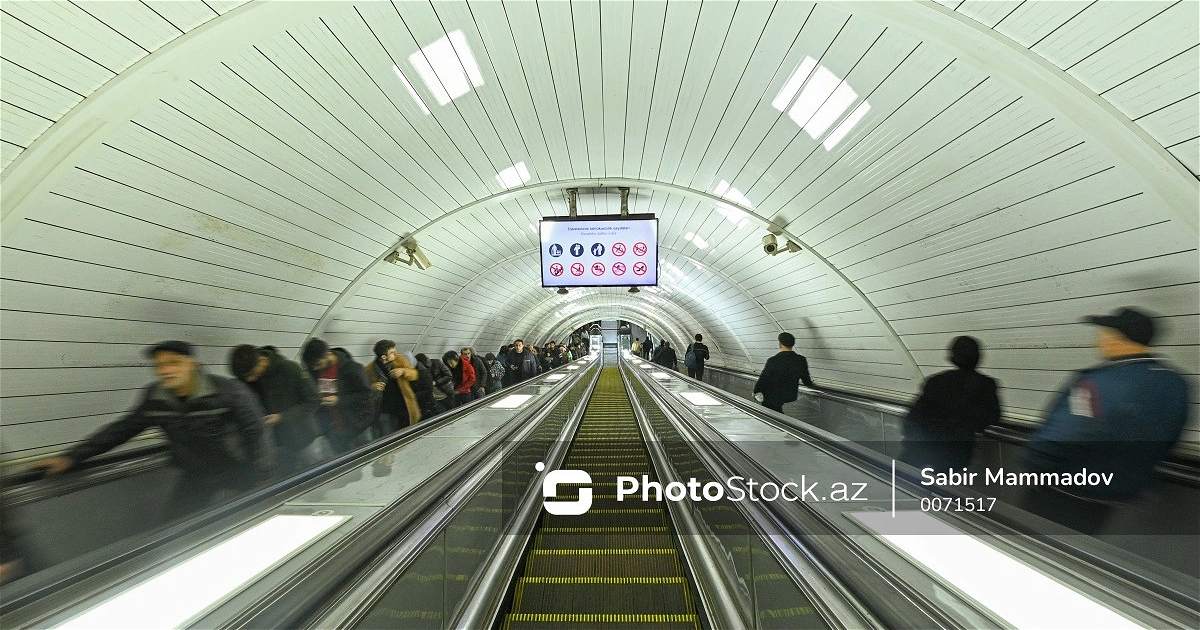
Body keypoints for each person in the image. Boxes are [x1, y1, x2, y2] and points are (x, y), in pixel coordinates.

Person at [30, 341, 272, 521]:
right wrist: (71, 457)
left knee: (253, 518)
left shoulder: (229, 392)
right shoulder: (156, 399)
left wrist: (261, 475)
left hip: (239, 468)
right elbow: (122, 429)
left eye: (173, 363)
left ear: (193, 364)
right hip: (196, 474)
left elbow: (256, 431)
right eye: (159, 365)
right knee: (174, 529)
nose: (165, 370)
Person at [1021, 308, 1190, 534]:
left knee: (1036, 545)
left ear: (1116, 339)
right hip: (1118, 494)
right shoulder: (1175, 383)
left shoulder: (1095, 383)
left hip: (1066, 490)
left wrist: (1033, 468)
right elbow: (1170, 436)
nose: (1099, 338)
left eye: (1104, 332)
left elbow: (1065, 433)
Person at [898, 337, 1001, 472]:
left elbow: (915, 415)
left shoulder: (936, 382)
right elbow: (994, 417)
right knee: (942, 487)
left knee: (899, 477)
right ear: (978, 357)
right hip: (957, 455)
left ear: (953, 357)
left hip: (923, 448)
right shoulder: (987, 385)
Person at [230, 344, 327, 476]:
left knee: (319, 477)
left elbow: (314, 401)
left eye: (252, 374)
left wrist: (281, 417)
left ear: (262, 361)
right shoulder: (250, 381)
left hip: (306, 440)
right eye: (246, 377)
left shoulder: (290, 369)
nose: (250, 379)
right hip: (280, 446)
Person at [301, 339, 373, 454]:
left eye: (318, 364)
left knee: (364, 462)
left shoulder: (353, 369)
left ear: (327, 355)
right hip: (333, 431)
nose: (316, 368)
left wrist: (339, 400)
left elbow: (367, 395)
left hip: (357, 427)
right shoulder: (314, 371)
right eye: (313, 366)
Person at [366, 340, 422, 435]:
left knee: (408, 433)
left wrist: (404, 371)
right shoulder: (370, 369)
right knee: (389, 436)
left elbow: (415, 374)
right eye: (392, 353)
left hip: (404, 405)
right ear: (383, 357)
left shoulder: (400, 359)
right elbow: (364, 387)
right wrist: (372, 387)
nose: (396, 354)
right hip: (384, 409)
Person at [753, 332, 815, 412]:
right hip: (789, 395)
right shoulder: (801, 360)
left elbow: (764, 378)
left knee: (770, 412)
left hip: (772, 396)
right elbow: (806, 379)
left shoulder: (773, 360)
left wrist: (756, 391)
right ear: (792, 345)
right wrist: (812, 385)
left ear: (780, 344)